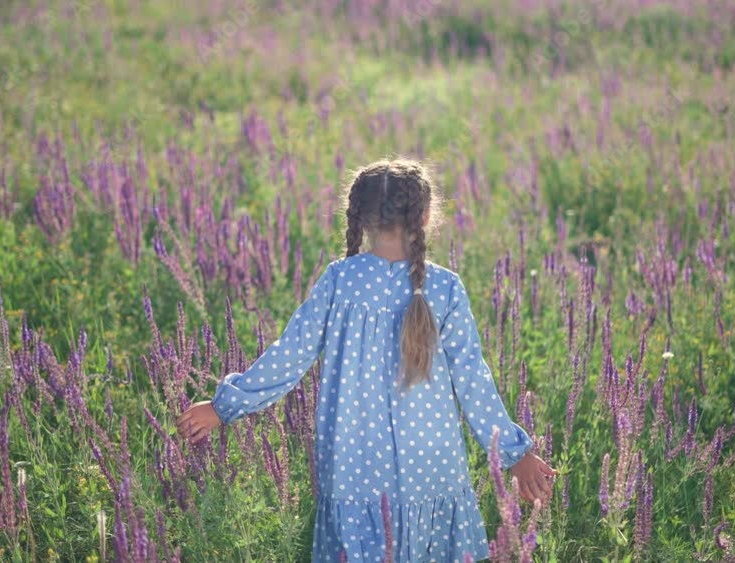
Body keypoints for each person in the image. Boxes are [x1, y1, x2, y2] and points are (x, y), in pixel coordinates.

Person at [177, 158, 557, 562]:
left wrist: (224, 407)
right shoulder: (444, 287)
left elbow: (289, 355)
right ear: (426, 217)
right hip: (431, 464)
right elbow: (473, 382)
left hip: (355, 464)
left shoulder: (340, 281)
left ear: (359, 216)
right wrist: (515, 455)